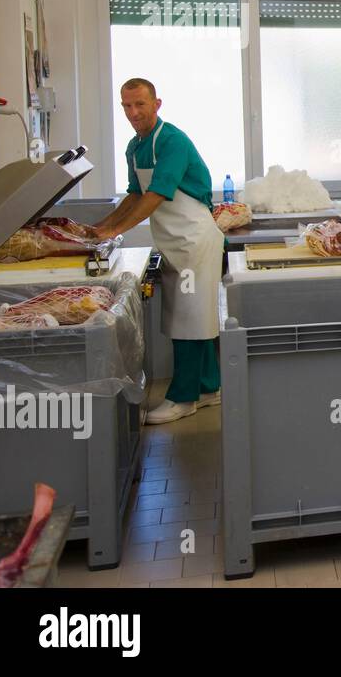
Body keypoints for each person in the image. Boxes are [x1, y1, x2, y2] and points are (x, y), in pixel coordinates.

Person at [94, 78, 225, 424]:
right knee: (193, 316)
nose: (133, 112)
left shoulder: (172, 141)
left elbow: (157, 194)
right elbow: (136, 194)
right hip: (173, 241)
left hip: (194, 240)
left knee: (189, 320)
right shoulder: (135, 147)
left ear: (157, 104)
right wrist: (98, 229)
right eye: (126, 106)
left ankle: (182, 399)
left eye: (140, 104)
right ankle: (210, 388)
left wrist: (115, 231)